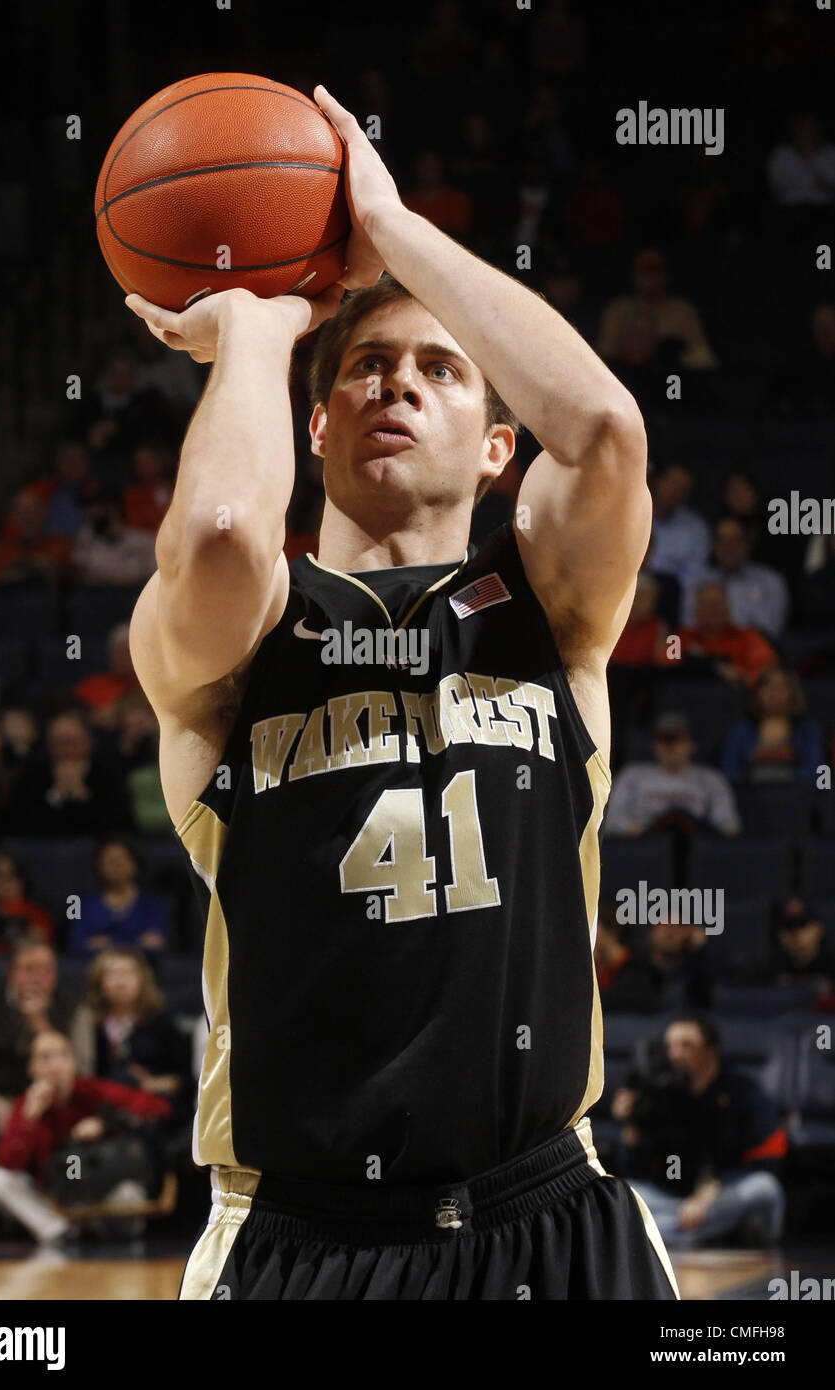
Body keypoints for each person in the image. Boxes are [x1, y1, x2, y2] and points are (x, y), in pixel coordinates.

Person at [125, 85, 677, 1301]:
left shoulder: (550, 607)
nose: (398, 383)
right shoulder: (248, 635)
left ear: (496, 445)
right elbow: (220, 528)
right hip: (301, 1238)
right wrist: (264, 330)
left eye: (441, 368)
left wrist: (390, 224)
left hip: (548, 1214)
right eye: (367, 366)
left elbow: (605, 433)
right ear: (314, 424)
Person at [0, 1029, 171, 1244]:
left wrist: (105, 1122)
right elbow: (6, 1163)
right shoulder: (27, 1105)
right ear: (31, 1068)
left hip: (101, 1193)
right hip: (56, 1198)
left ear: (73, 1062)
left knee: (129, 1193)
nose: (56, 1065)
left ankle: (107, 1236)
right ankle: (61, 1232)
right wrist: (28, 1120)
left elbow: (158, 1108)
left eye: (63, 1056)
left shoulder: (93, 1090)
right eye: (45, 1058)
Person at [614, 1014, 787, 1249]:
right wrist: (630, 1123)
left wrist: (714, 1190)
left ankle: (653, 1233)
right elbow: (640, 1169)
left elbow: (769, 1160)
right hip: (679, 1202)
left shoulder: (744, 1093)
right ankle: (696, 1232)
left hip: (727, 1194)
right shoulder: (665, 1096)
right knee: (625, 1192)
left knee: (765, 1187)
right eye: (670, 1046)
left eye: (686, 1046)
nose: (675, 1054)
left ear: (711, 1050)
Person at [0, 940, 95, 1137]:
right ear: (11, 974)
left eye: (45, 970)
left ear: (55, 976)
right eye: (28, 969)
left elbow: (82, 1072)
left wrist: (39, 1024)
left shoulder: (76, 1011)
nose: (36, 978)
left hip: (49, 1099)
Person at [87, 948, 192, 1125]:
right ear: (98, 981)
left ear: (143, 980)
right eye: (112, 973)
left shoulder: (161, 1022)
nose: (120, 981)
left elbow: (187, 1076)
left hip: (153, 1113)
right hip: (102, 1110)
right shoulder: (90, 1023)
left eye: (128, 973)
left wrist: (158, 1084)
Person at [606, 712, 740, 838]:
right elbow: (609, 822)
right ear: (655, 745)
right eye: (664, 739)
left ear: (691, 744)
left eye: (676, 739)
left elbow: (728, 827)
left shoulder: (711, 779)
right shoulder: (632, 775)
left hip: (695, 849)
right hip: (645, 848)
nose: (670, 746)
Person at [3, 708, 131, 837]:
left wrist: (83, 797)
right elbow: (19, 824)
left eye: (72, 742)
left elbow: (118, 824)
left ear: (88, 742)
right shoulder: (33, 774)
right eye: (59, 743)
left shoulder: (106, 773)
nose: (66, 750)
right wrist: (55, 796)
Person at [598, 250, 718, 373]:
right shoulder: (617, 309)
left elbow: (703, 358)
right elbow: (605, 355)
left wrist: (668, 355)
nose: (650, 279)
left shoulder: (682, 310)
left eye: (656, 272)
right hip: (624, 377)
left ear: (666, 275)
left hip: (670, 381)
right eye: (644, 272)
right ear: (633, 275)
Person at [681, 516, 789, 638]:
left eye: (736, 541)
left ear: (747, 544)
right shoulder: (697, 581)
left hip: (750, 651)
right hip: (706, 649)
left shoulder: (771, 582)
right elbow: (688, 625)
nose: (729, 548)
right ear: (713, 546)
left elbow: (770, 632)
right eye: (723, 541)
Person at [721, 667, 823, 785]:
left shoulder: (808, 730)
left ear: (792, 693)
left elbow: (813, 771)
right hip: (749, 797)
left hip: (797, 796)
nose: (773, 692)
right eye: (767, 686)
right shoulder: (740, 731)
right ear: (757, 693)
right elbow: (729, 772)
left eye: (780, 687)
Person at [68, 838, 168, 957]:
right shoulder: (80, 904)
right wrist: (135, 942)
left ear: (135, 864)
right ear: (99, 866)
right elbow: (76, 944)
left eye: (121, 860)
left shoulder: (154, 904)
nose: (116, 866)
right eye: (110, 861)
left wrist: (106, 942)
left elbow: (155, 944)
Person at [678, 582, 778, 687]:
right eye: (707, 605)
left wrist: (741, 676)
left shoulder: (749, 637)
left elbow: (769, 673)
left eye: (718, 604)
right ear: (695, 609)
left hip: (738, 698)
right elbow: (665, 668)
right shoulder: (680, 639)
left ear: (728, 607)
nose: (713, 610)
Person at [646, 462, 710, 593]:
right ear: (658, 481)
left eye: (682, 488)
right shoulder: (635, 513)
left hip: (671, 596)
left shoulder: (696, 528)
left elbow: (693, 581)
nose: (674, 491)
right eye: (672, 483)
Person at [754, 899, 835, 997]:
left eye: (797, 907)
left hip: (816, 972)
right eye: (791, 908)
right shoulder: (780, 933)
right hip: (788, 978)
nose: (794, 910)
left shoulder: (816, 929)